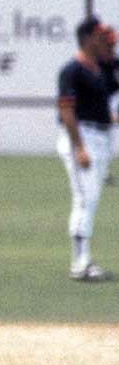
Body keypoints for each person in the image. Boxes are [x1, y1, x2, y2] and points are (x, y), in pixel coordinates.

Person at [56, 17, 118, 281]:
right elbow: (67, 110)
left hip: (101, 137)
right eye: (99, 35)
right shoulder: (72, 70)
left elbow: (104, 105)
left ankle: (84, 260)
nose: (103, 38)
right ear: (87, 38)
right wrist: (79, 147)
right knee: (84, 199)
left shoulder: (101, 69)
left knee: (90, 199)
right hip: (82, 137)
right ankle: (80, 262)